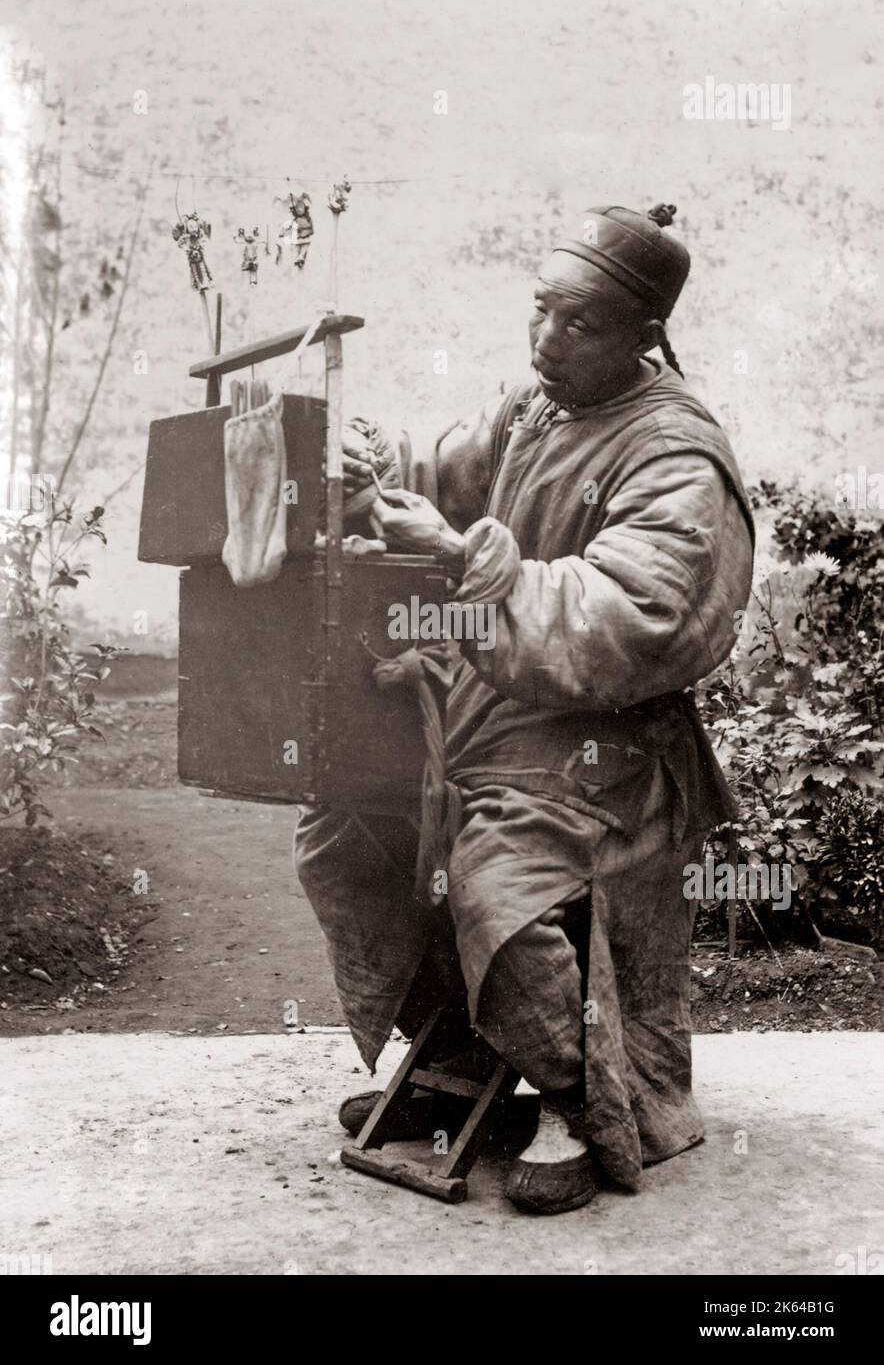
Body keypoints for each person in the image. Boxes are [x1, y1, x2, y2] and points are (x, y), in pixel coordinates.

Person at [295, 203, 754, 1214]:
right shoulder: (540, 404)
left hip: (606, 747)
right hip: (487, 707)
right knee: (344, 833)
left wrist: (469, 561)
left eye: (577, 324)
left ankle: (572, 1098)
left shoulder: (676, 455)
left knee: (497, 877)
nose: (545, 340)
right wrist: (374, 465)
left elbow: (637, 617)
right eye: (538, 310)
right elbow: (443, 469)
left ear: (641, 338)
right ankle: (458, 1045)